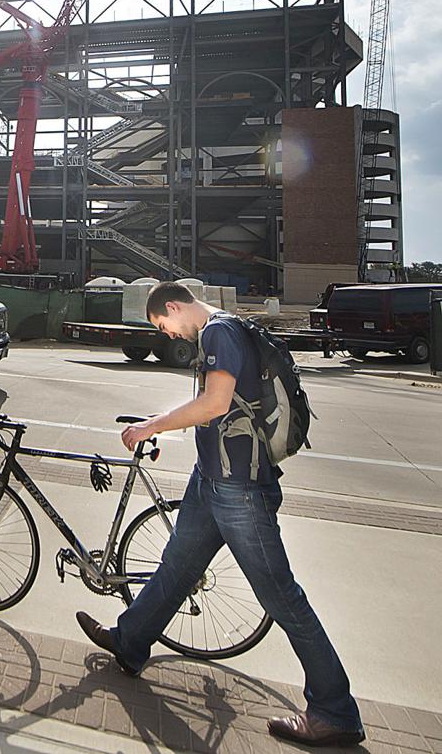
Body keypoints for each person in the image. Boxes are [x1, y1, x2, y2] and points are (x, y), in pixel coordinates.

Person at [74, 282, 364, 748]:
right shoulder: (223, 332)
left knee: (282, 598)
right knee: (177, 567)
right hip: (211, 481)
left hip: (238, 490)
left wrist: (150, 425)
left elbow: (215, 403)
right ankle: (130, 643)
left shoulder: (217, 333)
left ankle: (335, 711)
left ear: (173, 306)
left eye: (164, 325)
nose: (170, 335)